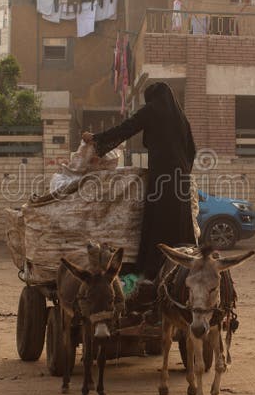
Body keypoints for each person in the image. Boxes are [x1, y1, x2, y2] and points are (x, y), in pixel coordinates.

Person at [82, 82, 196, 280]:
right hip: (181, 179)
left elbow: (128, 127)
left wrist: (97, 139)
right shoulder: (182, 118)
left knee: (158, 219)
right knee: (179, 221)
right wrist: (183, 174)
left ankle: (155, 268)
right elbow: (192, 150)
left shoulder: (152, 110)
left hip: (162, 173)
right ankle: (182, 266)